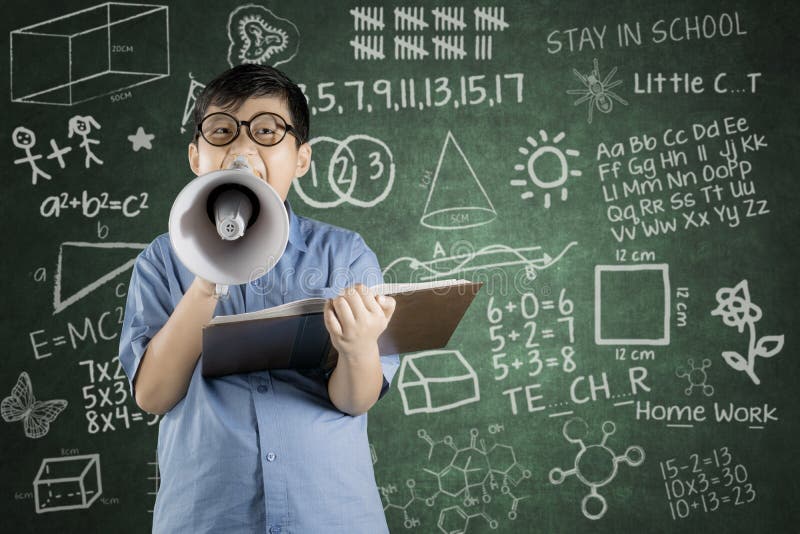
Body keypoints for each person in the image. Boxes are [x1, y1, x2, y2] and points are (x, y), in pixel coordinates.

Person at [119, 64, 399, 533]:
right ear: (195, 156)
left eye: (266, 132)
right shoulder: (162, 260)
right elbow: (153, 395)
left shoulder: (344, 254)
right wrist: (208, 277)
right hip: (208, 518)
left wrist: (357, 349)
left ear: (302, 158)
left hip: (329, 516)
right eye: (221, 132)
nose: (242, 150)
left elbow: (355, 400)